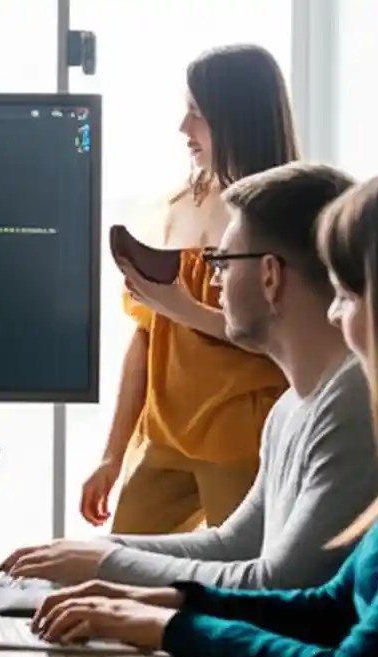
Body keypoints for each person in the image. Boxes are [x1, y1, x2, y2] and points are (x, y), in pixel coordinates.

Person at [31, 162, 378, 657]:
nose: (337, 314)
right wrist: (167, 601)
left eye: (346, 294)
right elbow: (331, 606)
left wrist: (172, 627)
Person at [1, 163, 378, 591]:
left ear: (270, 276)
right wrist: (88, 552)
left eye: (222, 259)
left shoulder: (353, 402)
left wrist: (108, 564)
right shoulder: (292, 407)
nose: (214, 277)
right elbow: (233, 544)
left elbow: (279, 582)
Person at [83, 44, 294, 534]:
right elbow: (146, 338)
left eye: (197, 114)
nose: (183, 128)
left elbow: (275, 336)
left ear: (237, 118)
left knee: (240, 584)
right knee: (118, 570)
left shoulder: (276, 214)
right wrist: (112, 455)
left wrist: (176, 305)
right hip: (164, 435)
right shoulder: (178, 204)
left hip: (240, 434)